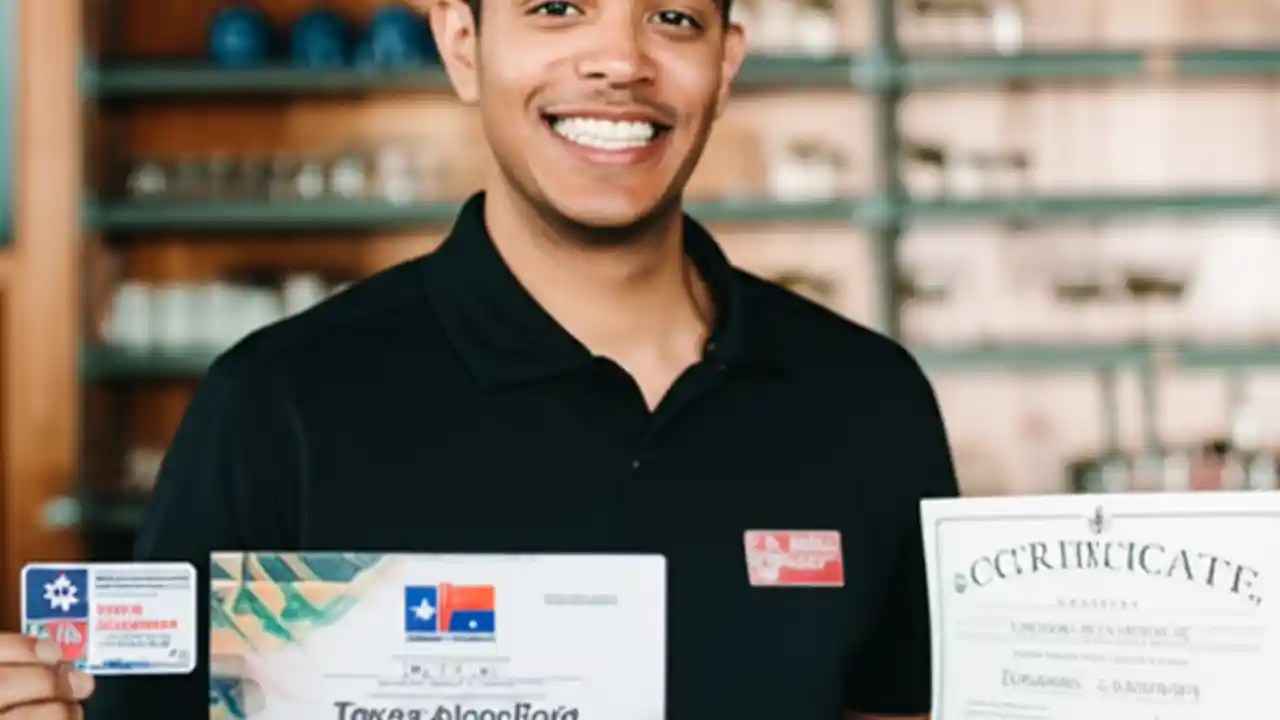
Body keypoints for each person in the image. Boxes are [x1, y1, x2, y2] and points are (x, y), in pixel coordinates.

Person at [1, 0, 959, 717]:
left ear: (724, 63)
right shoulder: (278, 404)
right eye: (556, 8)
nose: (620, 60)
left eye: (671, 17)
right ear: (463, 45)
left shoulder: (868, 401)